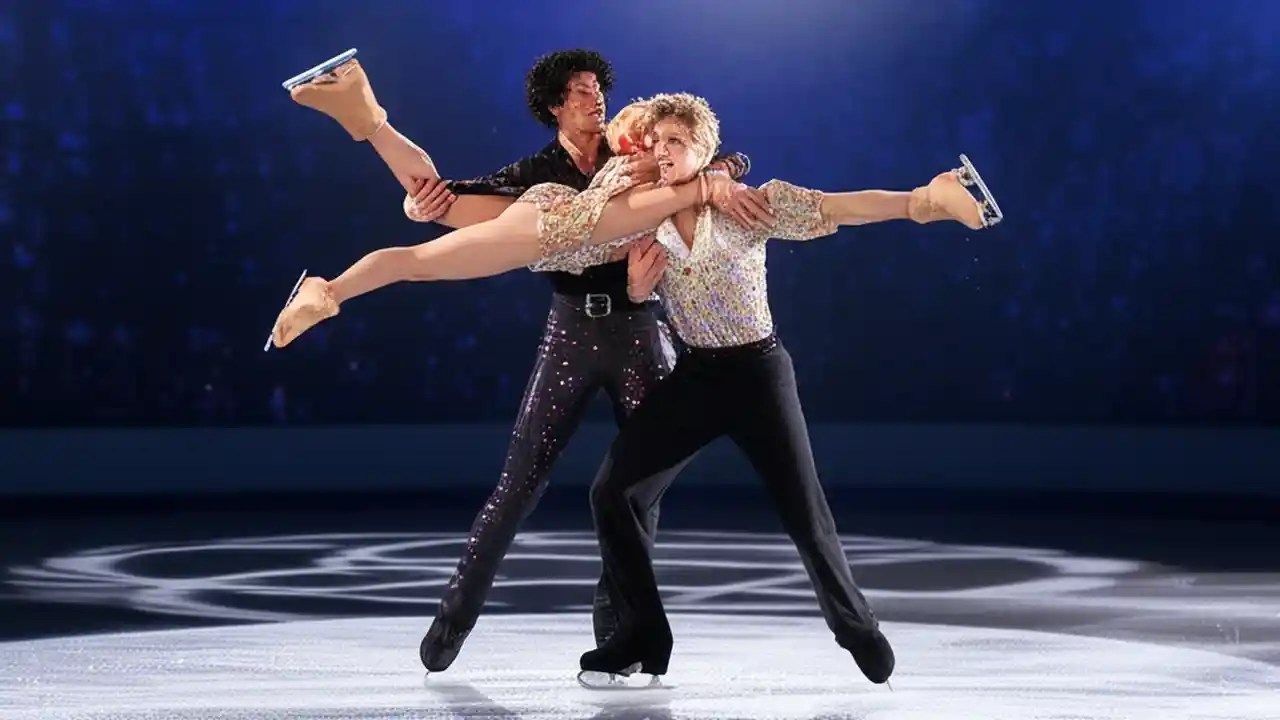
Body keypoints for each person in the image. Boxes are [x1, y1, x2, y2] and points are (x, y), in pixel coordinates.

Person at [280, 49, 761, 672]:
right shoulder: (540, 173)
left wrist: (719, 170)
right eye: (582, 93)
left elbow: (707, 156)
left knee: (637, 492)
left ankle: (624, 637)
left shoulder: (640, 159)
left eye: (599, 92)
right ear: (556, 106)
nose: (596, 101)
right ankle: (452, 622)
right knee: (518, 484)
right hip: (572, 331)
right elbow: (448, 200)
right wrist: (431, 206)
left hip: (640, 329)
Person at [573, 92, 1002, 687]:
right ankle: (643, 636)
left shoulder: (749, 204)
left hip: (758, 374)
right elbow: (575, 235)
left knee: (806, 513)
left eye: (679, 142)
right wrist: (635, 291)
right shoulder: (642, 212)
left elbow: (837, 208)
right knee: (612, 492)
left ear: (706, 152)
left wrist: (920, 202)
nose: (665, 152)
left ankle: (858, 629)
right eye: (658, 142)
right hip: (697, 375)